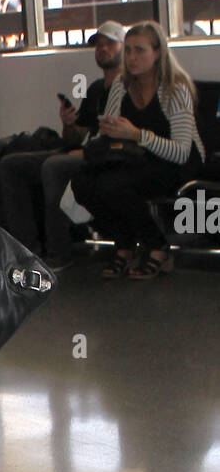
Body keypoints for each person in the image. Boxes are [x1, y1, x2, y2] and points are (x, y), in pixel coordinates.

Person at [72, 21, 205, 279]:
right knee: (83, 183)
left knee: (114, 185)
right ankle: (124, 245)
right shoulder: (121, 86)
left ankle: (157, 246)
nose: (132, 58)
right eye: (129, 50)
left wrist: (136, 134)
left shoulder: (175, 89)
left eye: (140, 50)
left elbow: (181, 152)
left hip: (175, 162)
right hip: (137, 159)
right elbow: (104, 133)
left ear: (157, 53)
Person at [0, 22, 124, 270]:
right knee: (11, 164)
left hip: (103, 154)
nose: (103, 49)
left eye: (110, 43)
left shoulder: (128, 89)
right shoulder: (96, 89)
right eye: (99, 44)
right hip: (79, 151)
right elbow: (73, 138)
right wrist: (67, 124)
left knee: (54, 166)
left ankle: (59, 252)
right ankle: (26, 250)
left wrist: (84, 149)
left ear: (124, 47)